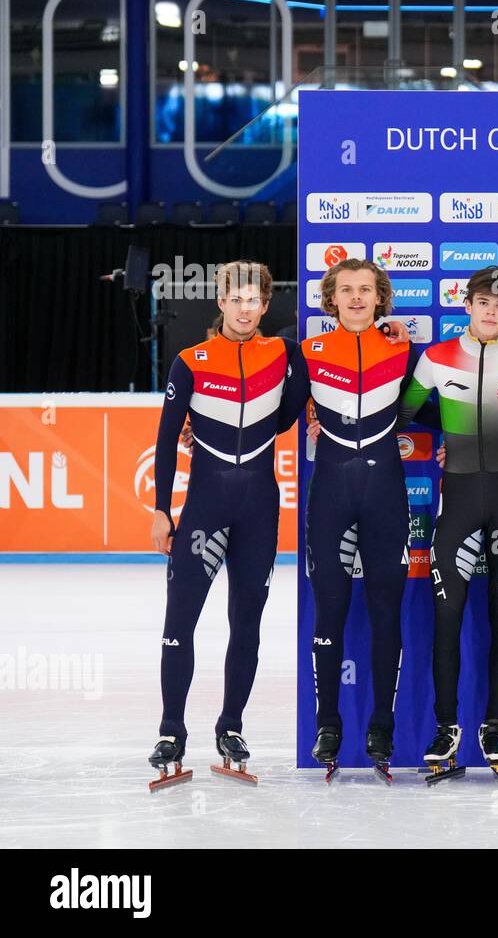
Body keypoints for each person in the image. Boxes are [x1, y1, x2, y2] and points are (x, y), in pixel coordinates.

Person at [147, 261, 308, 790]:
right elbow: (168, 438)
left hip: (259, 509)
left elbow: (285, 417)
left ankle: (231, 727)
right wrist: (160, 510)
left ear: (265, 305)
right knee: (180, 620)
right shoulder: (189, 362)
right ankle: (172, 730)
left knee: (247, 623)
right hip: (204, 509)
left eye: (255, 300)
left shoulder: (283, 354)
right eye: (236, 299)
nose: (245, 309)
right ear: (221, 302)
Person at [399, 266, 498, 780]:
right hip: (458, 498)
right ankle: (446, 726)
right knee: (449, 616)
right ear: (468, 304)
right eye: (484, 302)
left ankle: (494, 723)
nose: (491, 312)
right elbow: (407, 412)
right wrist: (454, 432)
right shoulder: (436, 357)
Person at [301, 258, 425, 782]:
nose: (356, 298)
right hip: (329, 494)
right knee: (328, 610)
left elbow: (436, 410)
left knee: (384, 613)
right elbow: (270, 407)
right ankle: (327, 723)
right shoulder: (305, 352)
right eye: (346, 290)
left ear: (381, 299)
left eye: (366, 291)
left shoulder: (403, 351)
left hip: (386, 497)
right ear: (331, 299)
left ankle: (382, 725)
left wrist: (464, 447)